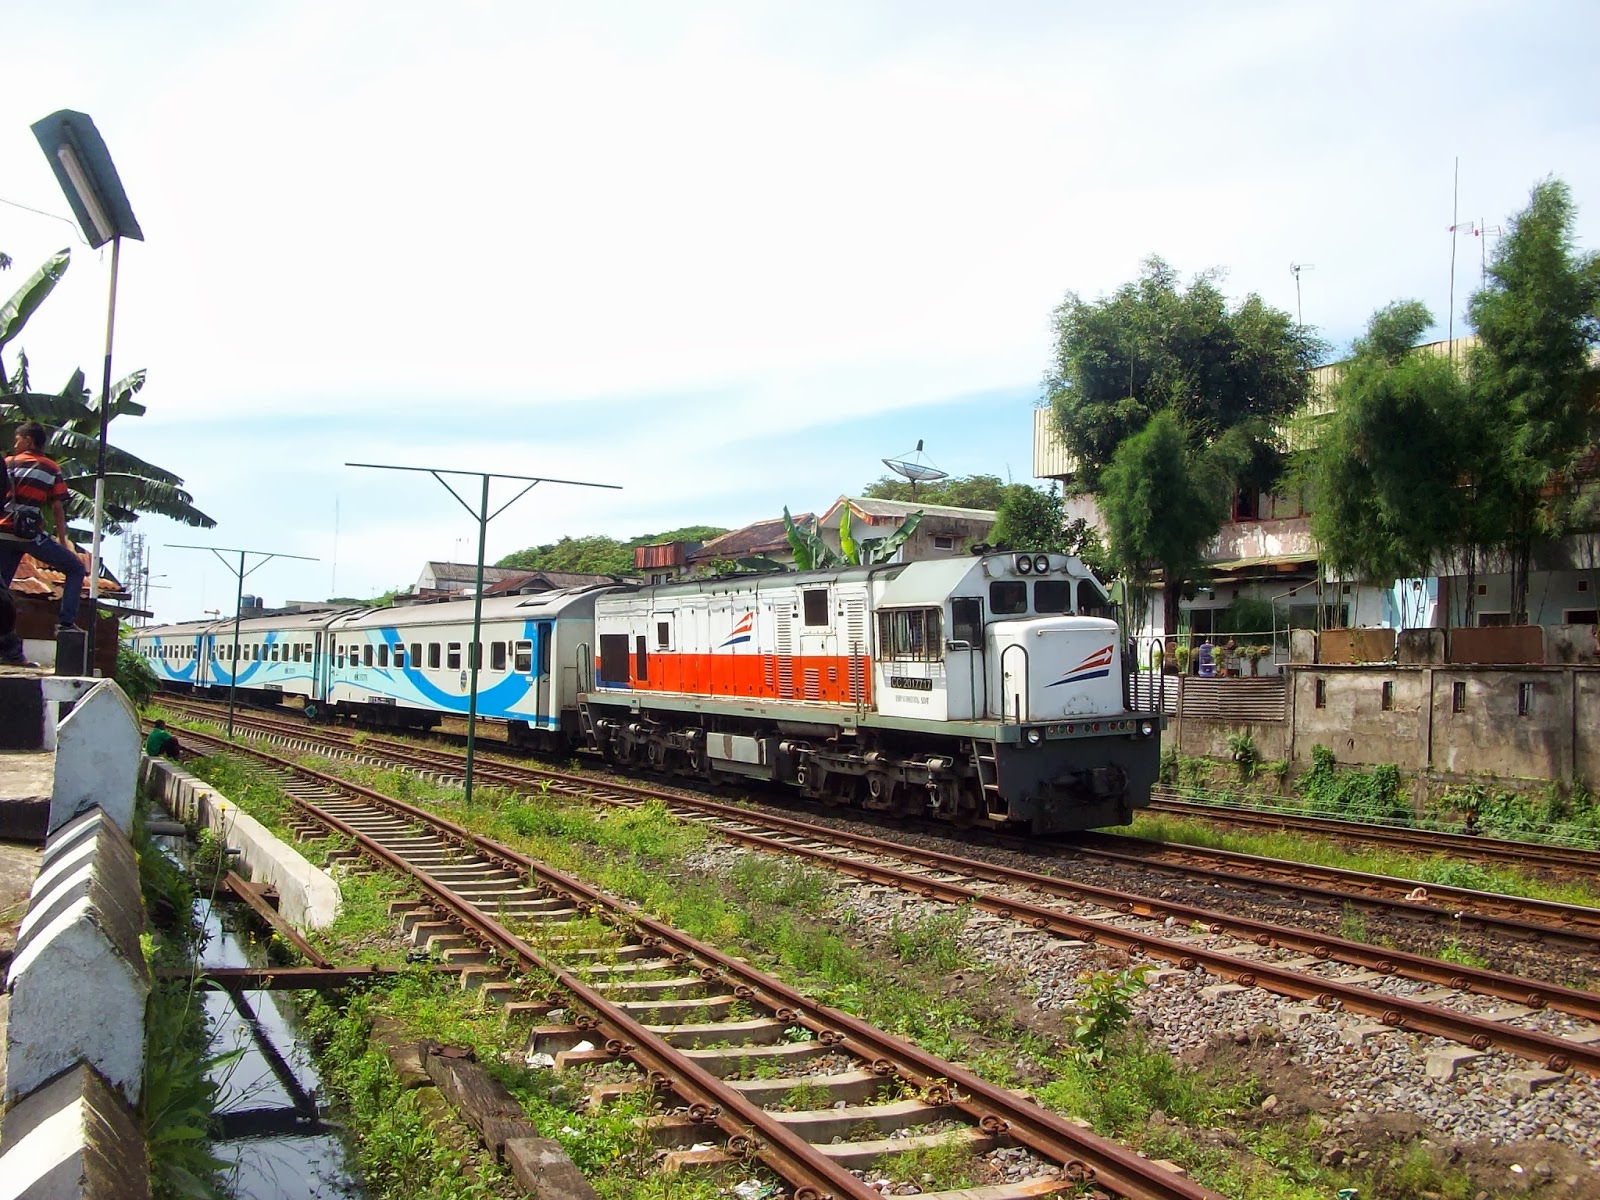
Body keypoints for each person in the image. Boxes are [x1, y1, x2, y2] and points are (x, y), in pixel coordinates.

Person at [1, 422, 86, 653]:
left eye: (17, 439)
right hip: (30, 535)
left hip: (4, 534)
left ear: (28, 440)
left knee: (2, 589)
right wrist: (61, 540)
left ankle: (7, 644)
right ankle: (66, 623)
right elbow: (58, 507)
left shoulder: (7, 464)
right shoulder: (51, 468)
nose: (14, 444)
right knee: (76, 569)